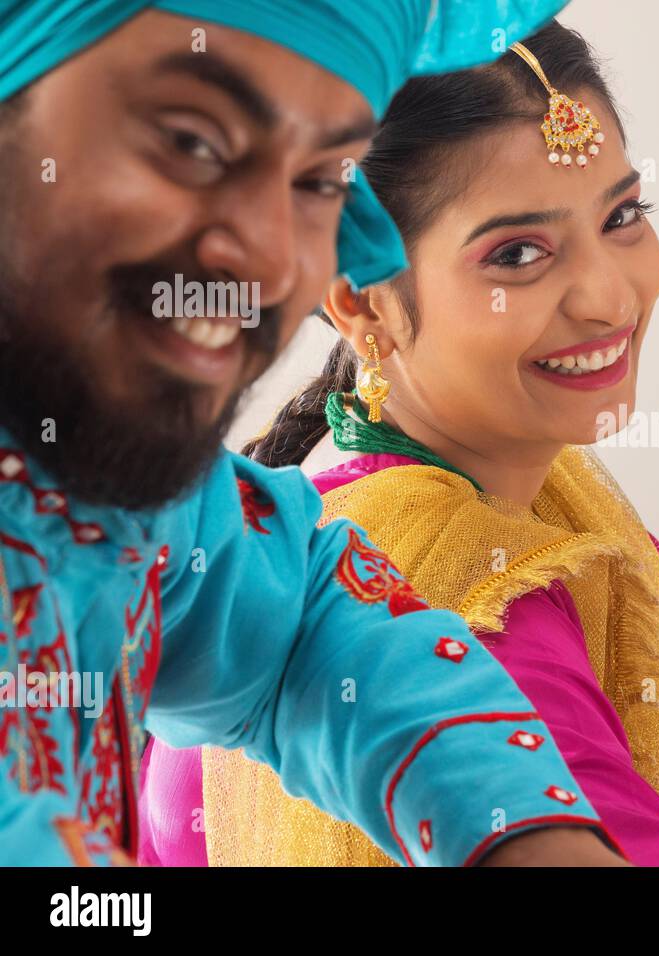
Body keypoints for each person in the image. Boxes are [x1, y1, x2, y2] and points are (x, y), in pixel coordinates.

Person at [143, 22, 659, 867]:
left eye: (622, 215)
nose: (609, 294)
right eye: (518, 253)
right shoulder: (478, 599)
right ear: (360, 300)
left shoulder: (494, 497)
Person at [0, 0, 626, 867]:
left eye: (319, 181)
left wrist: (526, 838)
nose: (269, 257)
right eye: (191, 141)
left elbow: (298, 629)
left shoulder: (90, 469)